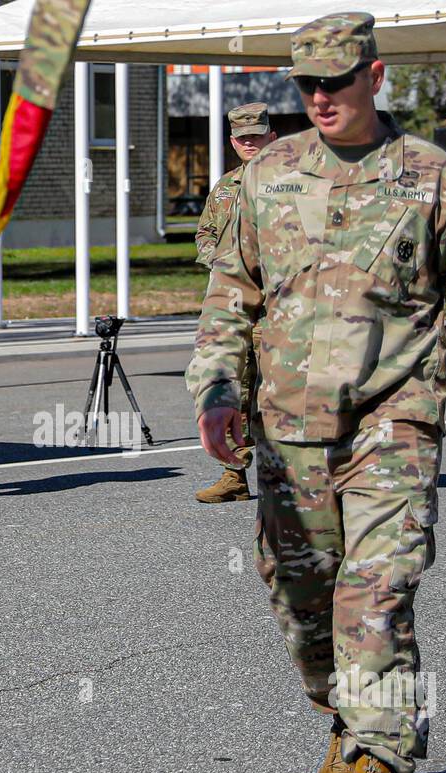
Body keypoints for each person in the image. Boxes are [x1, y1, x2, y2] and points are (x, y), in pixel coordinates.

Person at [186, 12, 446, 773]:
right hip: (287, 428)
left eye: (334, 83)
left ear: (373, 79)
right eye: (304, 85)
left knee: (374, 599)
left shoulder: (431, 177)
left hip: (394, 421)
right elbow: (232, 291)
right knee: (302, 608)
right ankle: (345, 720)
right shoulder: (264, 176)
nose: (318, 98)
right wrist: (217, 391)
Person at [192, 102, 276, 504]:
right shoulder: (225, 188)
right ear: (233, 142)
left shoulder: (294, 186)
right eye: (243, 139)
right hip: (237, 306)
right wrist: (221, 261)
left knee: (280, 393)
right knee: (235, 388)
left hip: (280, 310)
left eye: (257, 137)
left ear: (271, 139)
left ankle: (292, 478)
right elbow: (205, 232)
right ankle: (234, 475)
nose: (250, 144)